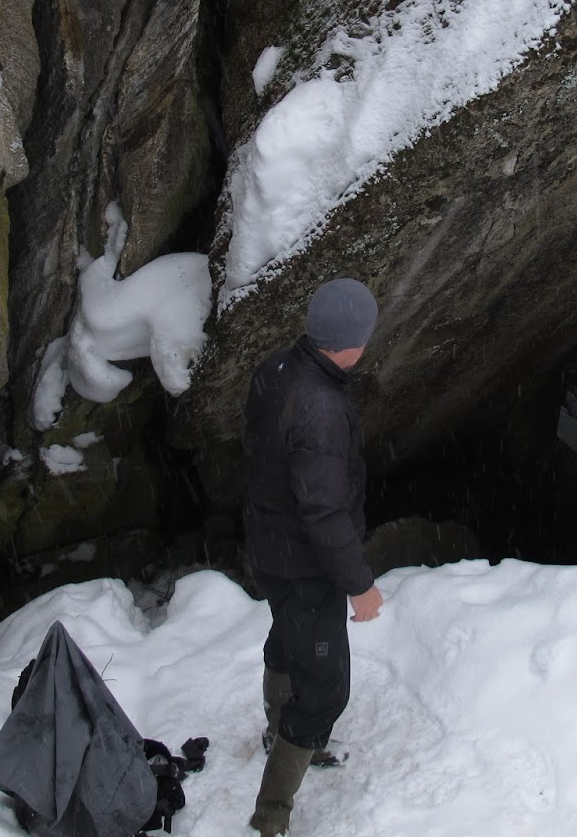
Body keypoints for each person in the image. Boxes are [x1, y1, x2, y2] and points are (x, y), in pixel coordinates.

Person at [242, 278, 384, 837]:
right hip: (305, 565)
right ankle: (271, 815)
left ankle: (278, 728)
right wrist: (359, 585)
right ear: (350, 342)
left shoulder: (278, 367)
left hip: (270, 547)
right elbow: (323, 512)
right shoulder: (321, 408)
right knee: (326, 689)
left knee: (287, 637)